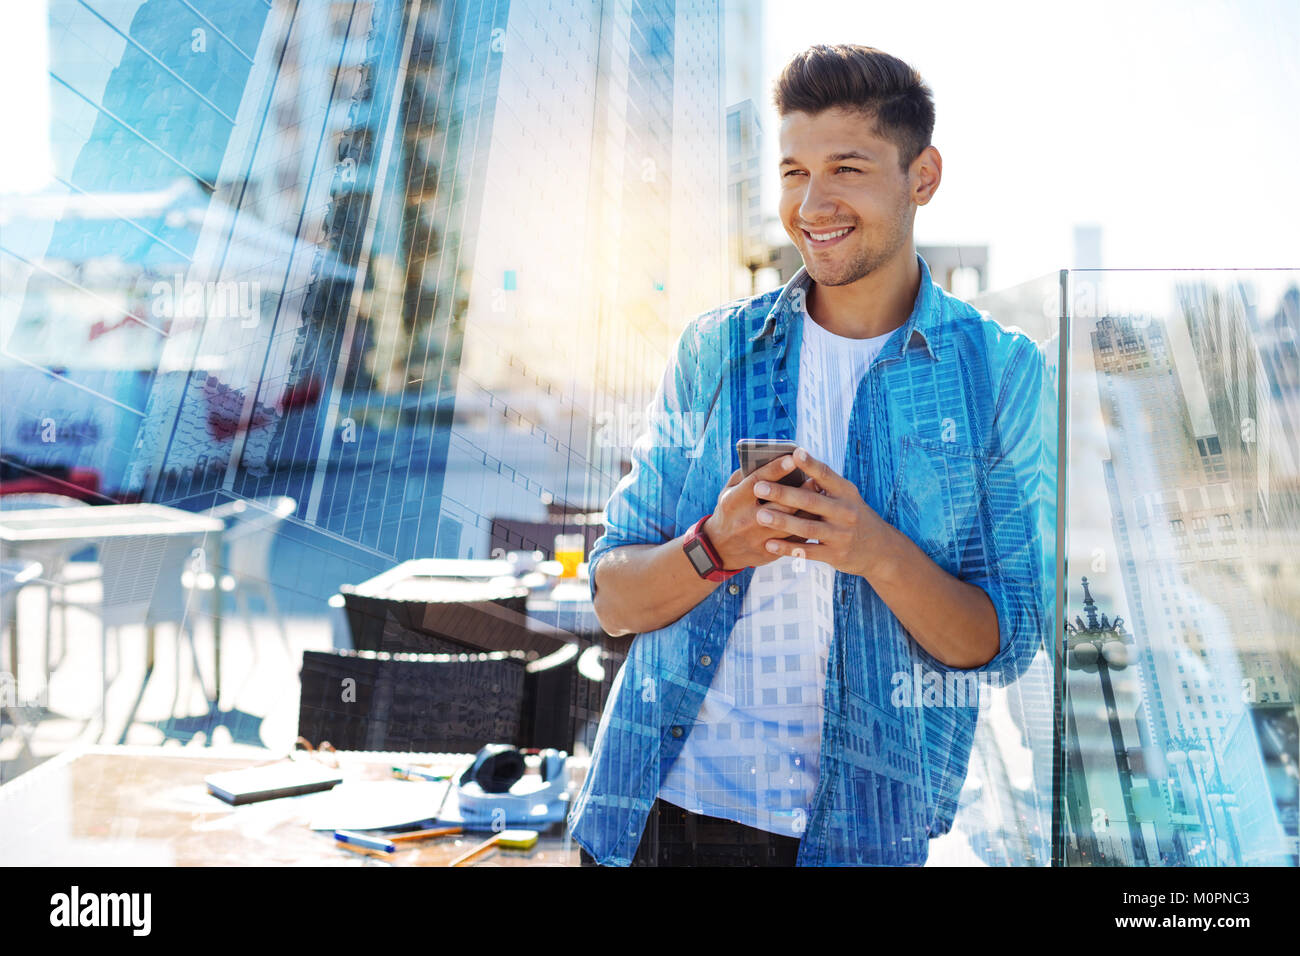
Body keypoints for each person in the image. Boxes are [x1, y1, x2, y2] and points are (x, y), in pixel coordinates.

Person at [571, 43, 1054, 867]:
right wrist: (714, 548)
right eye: (794, 172)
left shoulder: (999, 372)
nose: (813, 203)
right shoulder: (717, 349)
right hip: (652, 815)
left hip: (857, 837)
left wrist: (874, 550)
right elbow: (613, 596)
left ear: (922, 177)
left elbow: (1001, 641)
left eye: (847, 168)